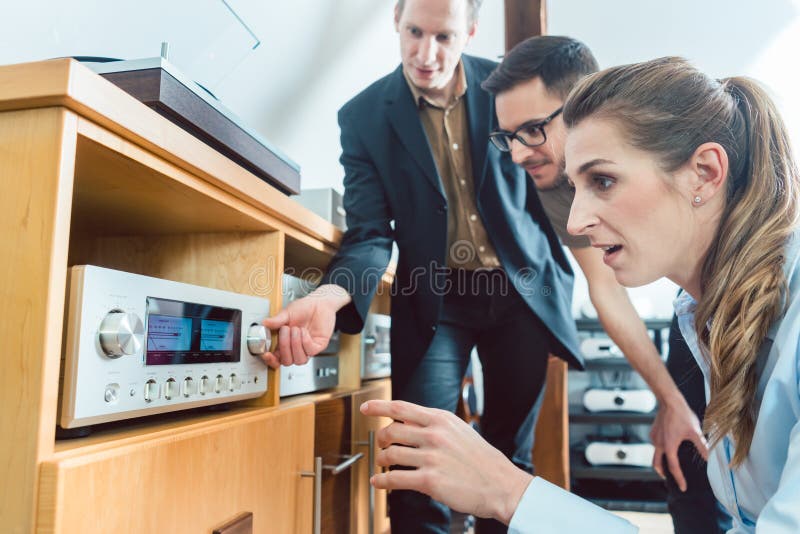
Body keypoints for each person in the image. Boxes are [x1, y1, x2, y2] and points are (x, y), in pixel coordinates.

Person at [361, 56, 800, 533]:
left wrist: (508, 491)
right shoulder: (700, 314)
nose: (575, 222)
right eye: (577, 186)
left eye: (604, 181)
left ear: (705, 173)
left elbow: (605, 293)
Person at [260, 1, 583, 532]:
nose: (425, 53)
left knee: (508, 464)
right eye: (414, 31)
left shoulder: (507, 90)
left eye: (444, 36)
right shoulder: (363, 117)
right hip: (436, 302)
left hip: (521, 293)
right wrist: (329, 295)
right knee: (414, 462)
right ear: (396, 20)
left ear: (470, 32)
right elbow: (369, 234)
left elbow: (546, 182)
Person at [481, 36, 729, 532]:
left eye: (531, 130)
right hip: (693, 306)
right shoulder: (551, 182)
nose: (516, 154)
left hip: (730, 293)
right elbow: (604, 287)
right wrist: (669, 399)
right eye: (506, 136)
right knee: (692, 465)